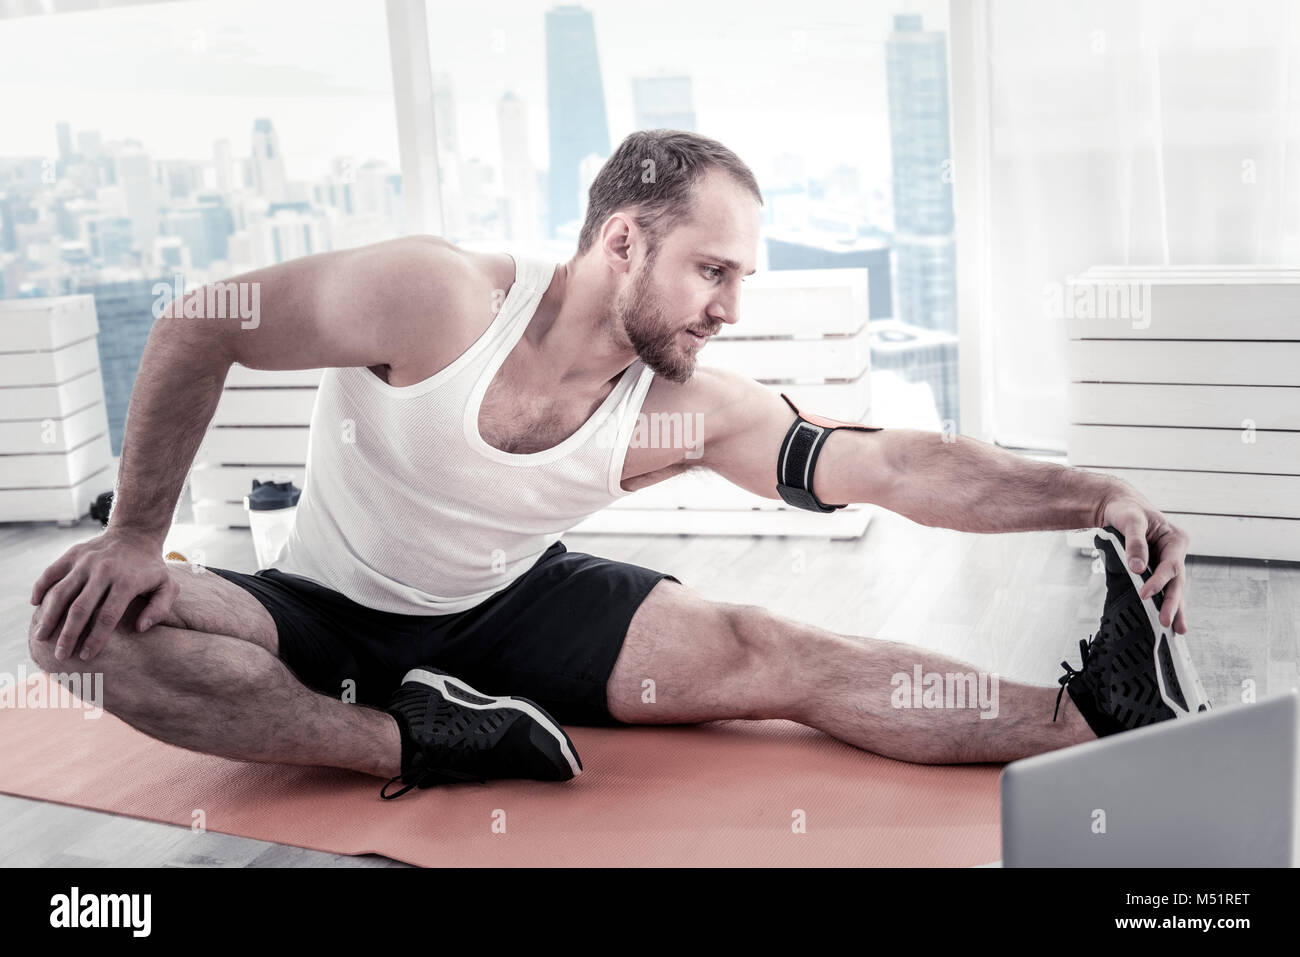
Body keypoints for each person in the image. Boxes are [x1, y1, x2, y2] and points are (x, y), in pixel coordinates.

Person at [27, 130, 1199, 800]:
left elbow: (893, 467)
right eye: (714, 271)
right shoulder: (436, 299)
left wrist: (1089, 496)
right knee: (72, 635)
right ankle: (425, 738)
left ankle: (1090, 718)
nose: (731, 308)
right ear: (623, 238)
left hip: (511, 612)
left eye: (743, 280)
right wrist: (136, 535)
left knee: (776, 653)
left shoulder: (686, 407)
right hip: (314, 606)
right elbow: (200, 320)